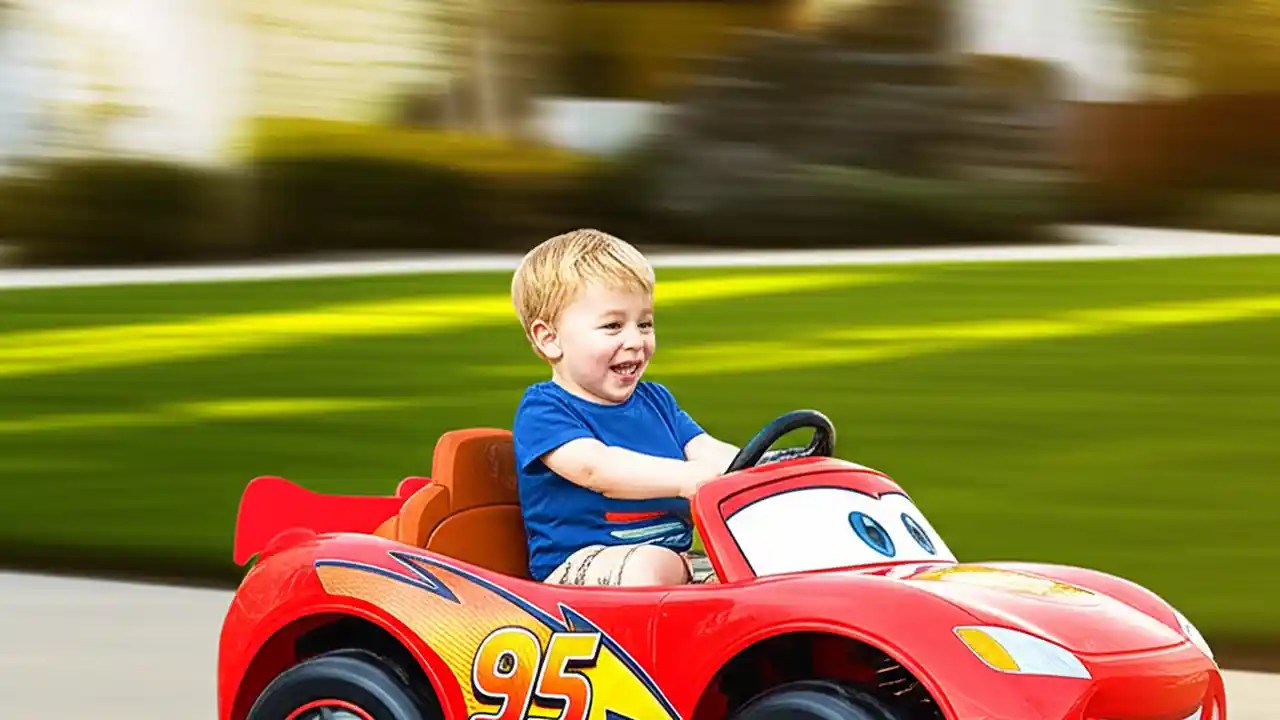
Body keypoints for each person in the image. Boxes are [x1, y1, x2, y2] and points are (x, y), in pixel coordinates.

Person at [509, 228, 739, 586]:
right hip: (577, 572)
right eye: (613, 325)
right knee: (650, 568)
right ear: (550, 339)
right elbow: (596, 469)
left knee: (755, 565)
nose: (635, 340)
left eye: (644, 323)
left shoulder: (657, 402)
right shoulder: (545, 410)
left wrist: (768, 470)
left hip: (671, 563)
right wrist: (687, 479)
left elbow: (709, 451)